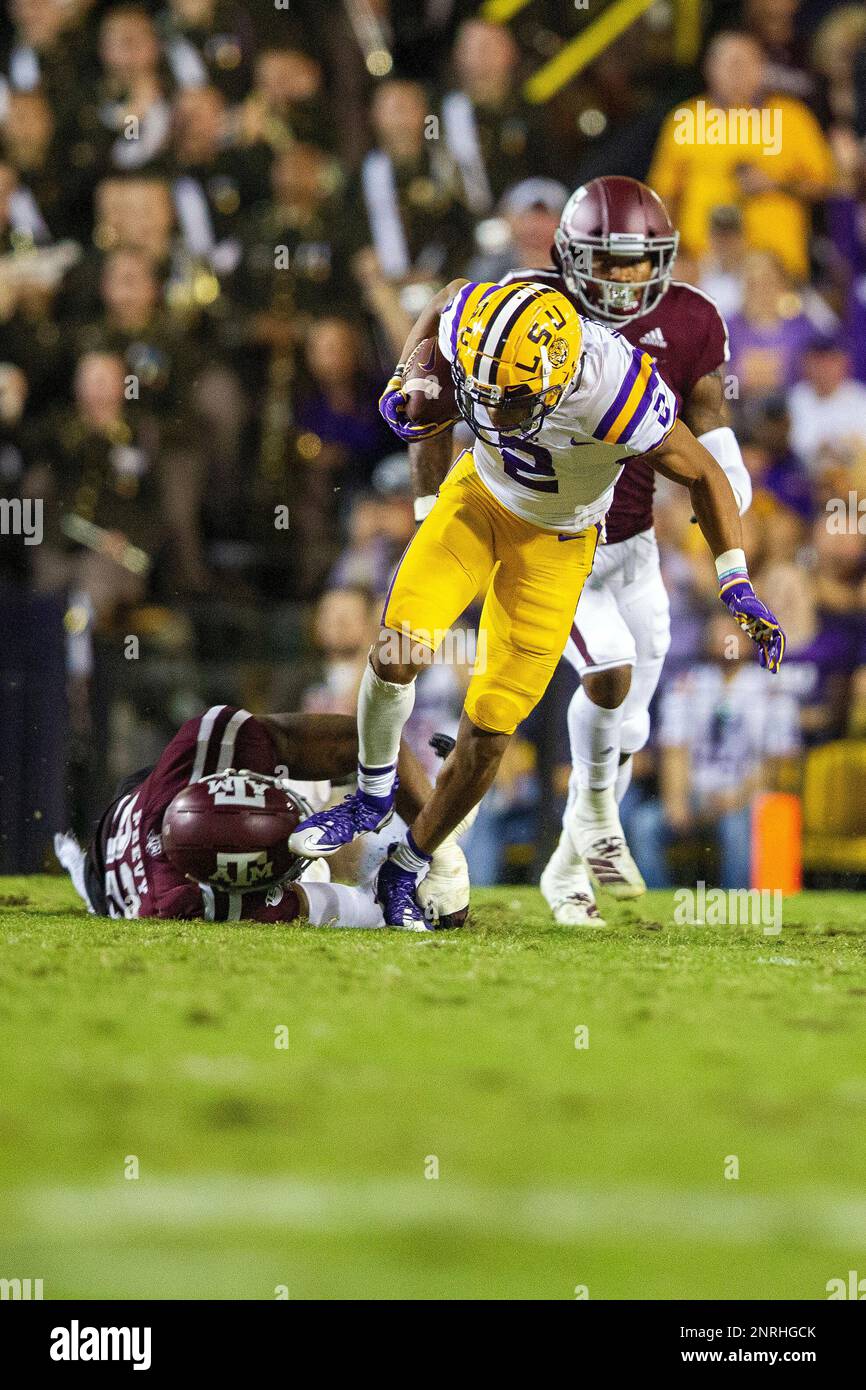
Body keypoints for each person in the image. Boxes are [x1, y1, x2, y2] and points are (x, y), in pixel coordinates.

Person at [289, 273, 784, 927]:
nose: (492, 416)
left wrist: (735, 579)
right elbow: (445, 300)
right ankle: (372, 793)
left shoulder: (618, 390)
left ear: (559, 379)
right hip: (478, 502)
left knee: (489, 732)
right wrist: (408, 375)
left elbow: (706, 473)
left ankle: (413, 863)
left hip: (557, 541)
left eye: (512, 402)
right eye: (484, 397)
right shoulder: (482, 319)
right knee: (396, 651)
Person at [500, 176, 752, 924]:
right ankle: (581, 826)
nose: (623, 278)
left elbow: (714, 440)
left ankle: (568, 864)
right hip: (553, 540)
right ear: (570, 258)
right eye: (606, 262)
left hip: (635, 548)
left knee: (633, 723)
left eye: (638, 262)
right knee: (605, 668)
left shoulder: (691, 318)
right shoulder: (531, 310)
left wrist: (729, 527)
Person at [54, 703, 469, 929]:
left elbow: (374, 744)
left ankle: (394, 827)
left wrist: (438, 841)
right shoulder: (191, 902)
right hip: (109, 879)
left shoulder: (206, 748)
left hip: (139, 799)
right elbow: (360, 907)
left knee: (317, 796)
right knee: (321, 870)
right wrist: (409, 901)